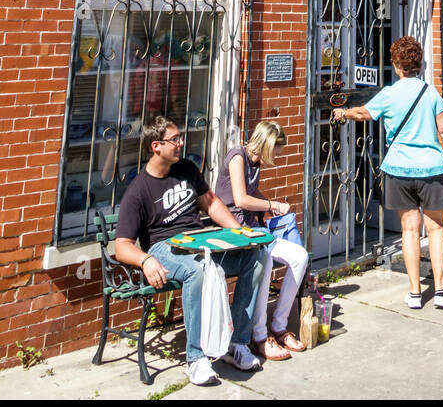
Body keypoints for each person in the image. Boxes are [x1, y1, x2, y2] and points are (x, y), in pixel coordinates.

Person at [114, 115, 268, 386]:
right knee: (196, 271)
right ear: (156, 146)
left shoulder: (186, 168)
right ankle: (196, 359)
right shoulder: (139, 190)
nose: (182, 143)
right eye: (175, 139)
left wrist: (239, 233)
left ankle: (237, 344)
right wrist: (146, 260)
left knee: (254, 258)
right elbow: (121, 247)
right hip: (165, 248)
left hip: (201, 241)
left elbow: (211, 204)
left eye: (180, 137)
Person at [332, 35, 443, 310]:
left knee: (409, 229)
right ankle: (440, 292)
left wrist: (343, 113)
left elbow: (364, 113)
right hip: (431, 169)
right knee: (436, 229)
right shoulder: (430, 93)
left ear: (396, 65)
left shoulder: (389, 94)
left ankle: (415, 292)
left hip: (399, 169)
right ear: (419, 63)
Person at [214, 121, 308, 362]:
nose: (277, 156)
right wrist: (272, 205)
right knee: (264, 259)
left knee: (300, 256)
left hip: (256, 232)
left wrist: (274, 208)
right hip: (235, 233)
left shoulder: (255, 163)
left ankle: (279, 325)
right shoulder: (237, 157)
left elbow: (252, 193)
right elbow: (241, 199)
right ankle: (259, 335)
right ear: (266, 145)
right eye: (276, 151)